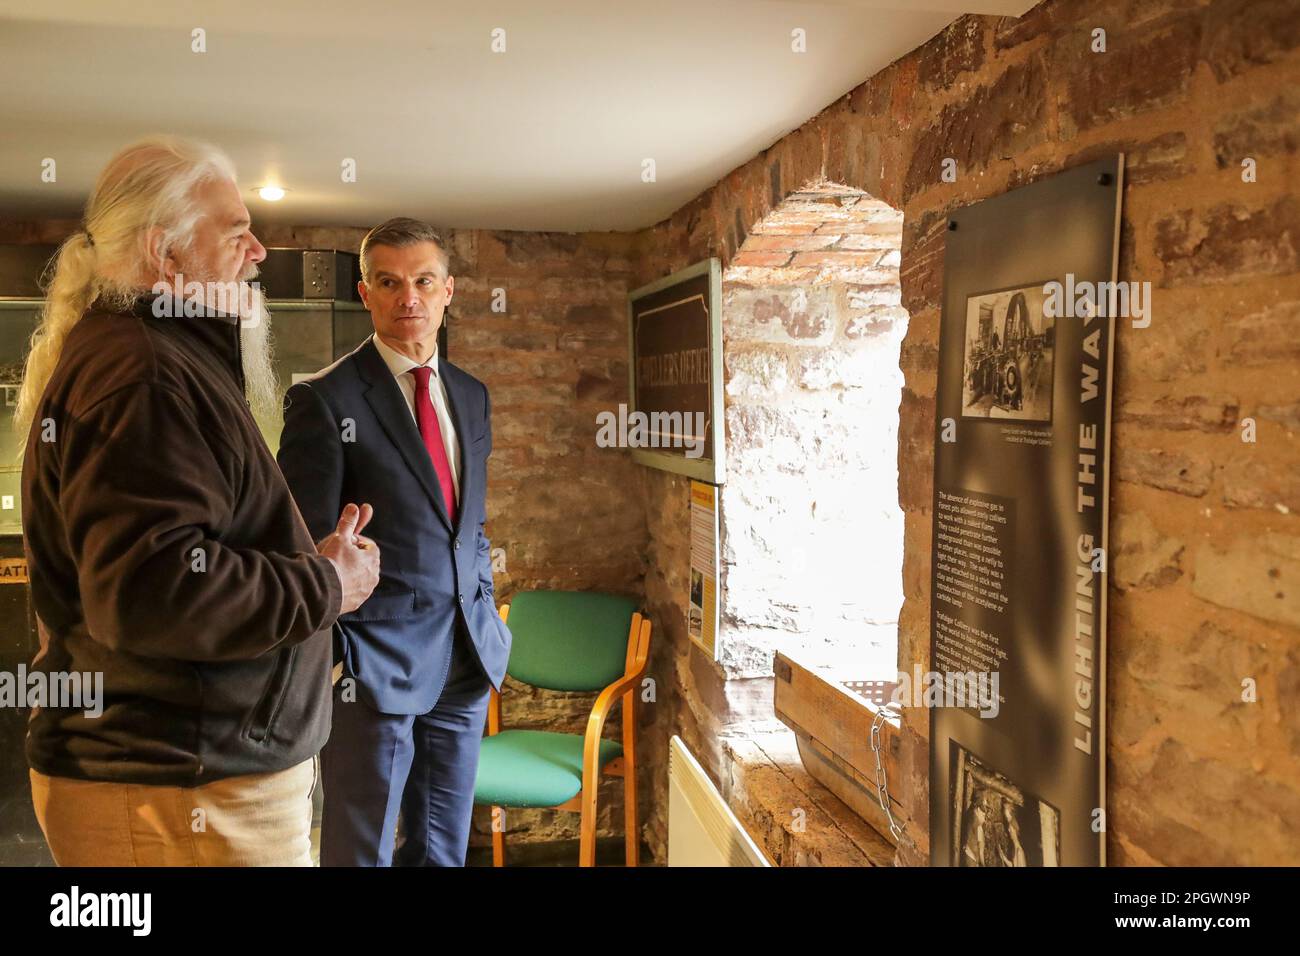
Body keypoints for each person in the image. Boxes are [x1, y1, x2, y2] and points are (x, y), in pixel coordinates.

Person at [17, 136, 380, 866]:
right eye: (237, 233)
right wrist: (327, 584)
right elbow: (155, 592)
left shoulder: (158, 359)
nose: (259, 252)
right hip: (180, 792)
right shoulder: (144, 373)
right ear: (167, 254)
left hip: (195, 783)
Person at [278, 217, 510, 866]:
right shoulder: (322, 402)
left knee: (443, 852)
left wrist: (485, 603)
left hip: (465, 658)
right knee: (362, 852)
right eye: (389, 282)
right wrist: (340, 656)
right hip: (372, 671)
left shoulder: (471, 396)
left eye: (422, 281)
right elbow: (303, 551)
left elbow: (471, 528)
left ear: (448, 291)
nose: (408, 297)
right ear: (365, 293)